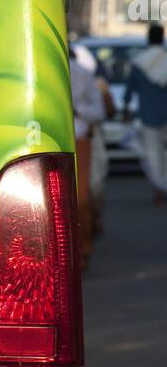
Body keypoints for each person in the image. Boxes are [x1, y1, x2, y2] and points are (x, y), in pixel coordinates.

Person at [69, 45, 106, 265]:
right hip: (79, 137)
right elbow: (98, 112)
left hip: (45, 138)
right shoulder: (83, 74)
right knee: (80, 197)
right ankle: (82, 251)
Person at [125, 23, 167, 205]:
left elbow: (129, 90)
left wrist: (126, 109)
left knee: (153, 155)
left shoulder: (139, 62)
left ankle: (159, 190)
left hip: (148, 116)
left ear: (148, 38)